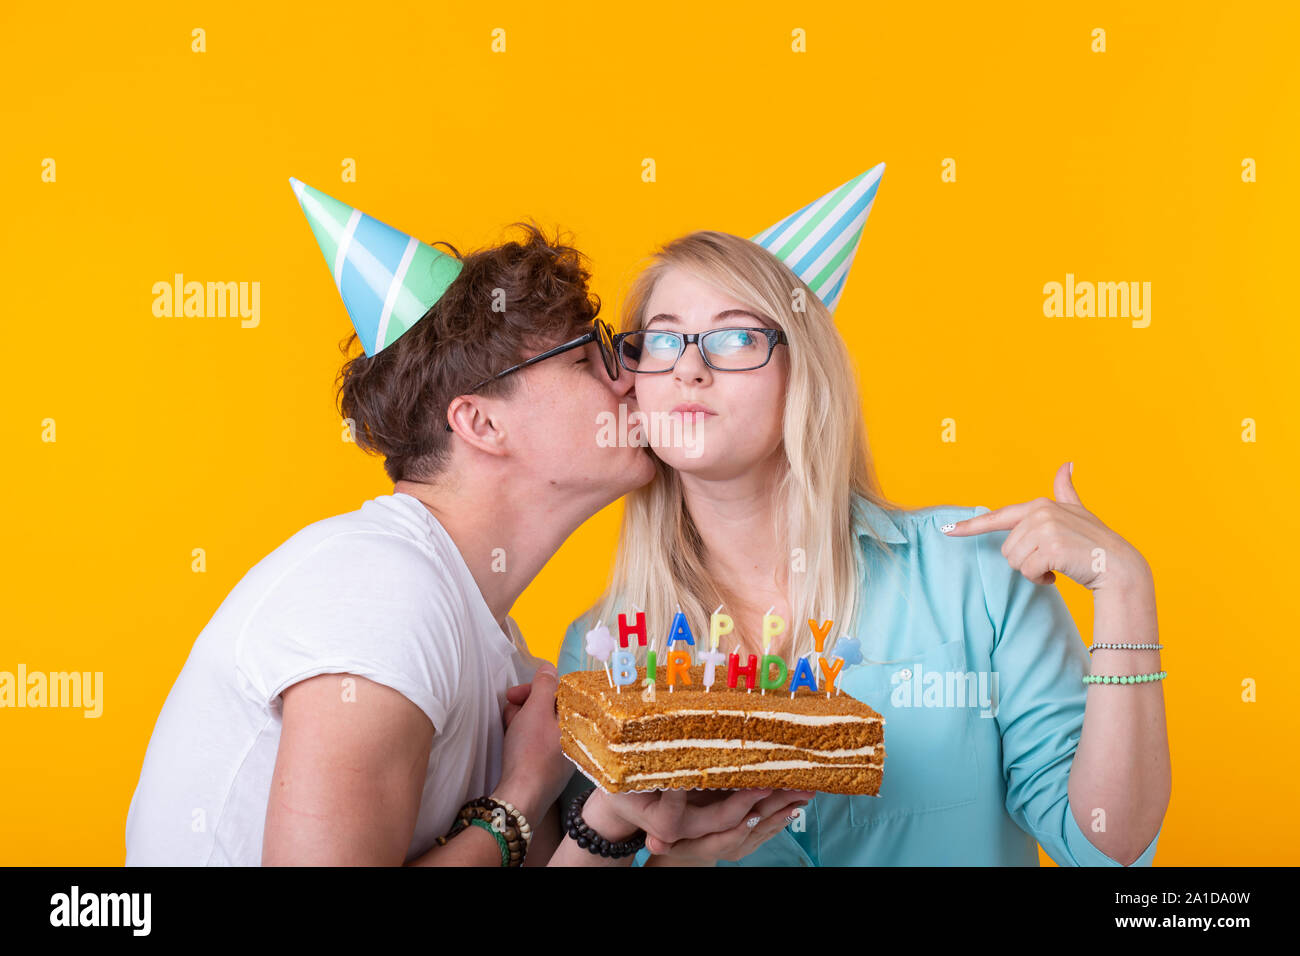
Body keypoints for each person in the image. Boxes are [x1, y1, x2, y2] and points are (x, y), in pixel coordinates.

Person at [125, 180, 806, 866]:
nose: (631, 377)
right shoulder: (378, 589)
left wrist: (632, 828)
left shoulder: (500, 652)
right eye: (582, 360)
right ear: (481, 422)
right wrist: (519, 795)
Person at [559, 165, 1171, 866]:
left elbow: (1108, 845)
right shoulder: (607, 649)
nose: (689, 369)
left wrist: (1126, 592)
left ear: (806, 377)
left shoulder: (976, 575)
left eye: (735, 338)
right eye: (662, 340)